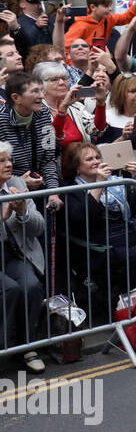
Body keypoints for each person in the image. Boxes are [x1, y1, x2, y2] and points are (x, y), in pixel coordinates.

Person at [60, 142, 136, 321]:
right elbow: (84, 218)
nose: (96, 161)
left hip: (129, 234)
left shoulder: (116, 183)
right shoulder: (71, 190)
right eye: (89, 159)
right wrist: (99, 184)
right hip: (101, 244)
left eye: (98, 157)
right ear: (77, 167)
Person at [1, 141, 49, 372]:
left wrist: (22, 213)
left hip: (13, 254)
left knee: (30, 286)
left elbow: (39, 227)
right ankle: (4, 347)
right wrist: (3, 216)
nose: (8, 164)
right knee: (10, 290)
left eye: (8, 160)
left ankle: (26, 346)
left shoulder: (17, 183)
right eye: (1, 161)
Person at [0, 71, 62, 211]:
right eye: (35, 91)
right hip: (10, 194)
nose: (41, 96)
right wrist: (20, 182)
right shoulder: (1, 121)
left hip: (41, 187)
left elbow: (48, 157)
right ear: (16, 98)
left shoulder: (43, 113)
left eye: (41, 90)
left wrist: (53, 192)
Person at [62, 0, 136, 49]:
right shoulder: (81, 25)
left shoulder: (108, 19)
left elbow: (125, 18)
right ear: (93, 7)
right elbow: (66, 47)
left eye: (110, 6)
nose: (110, 9)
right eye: (106, 6)